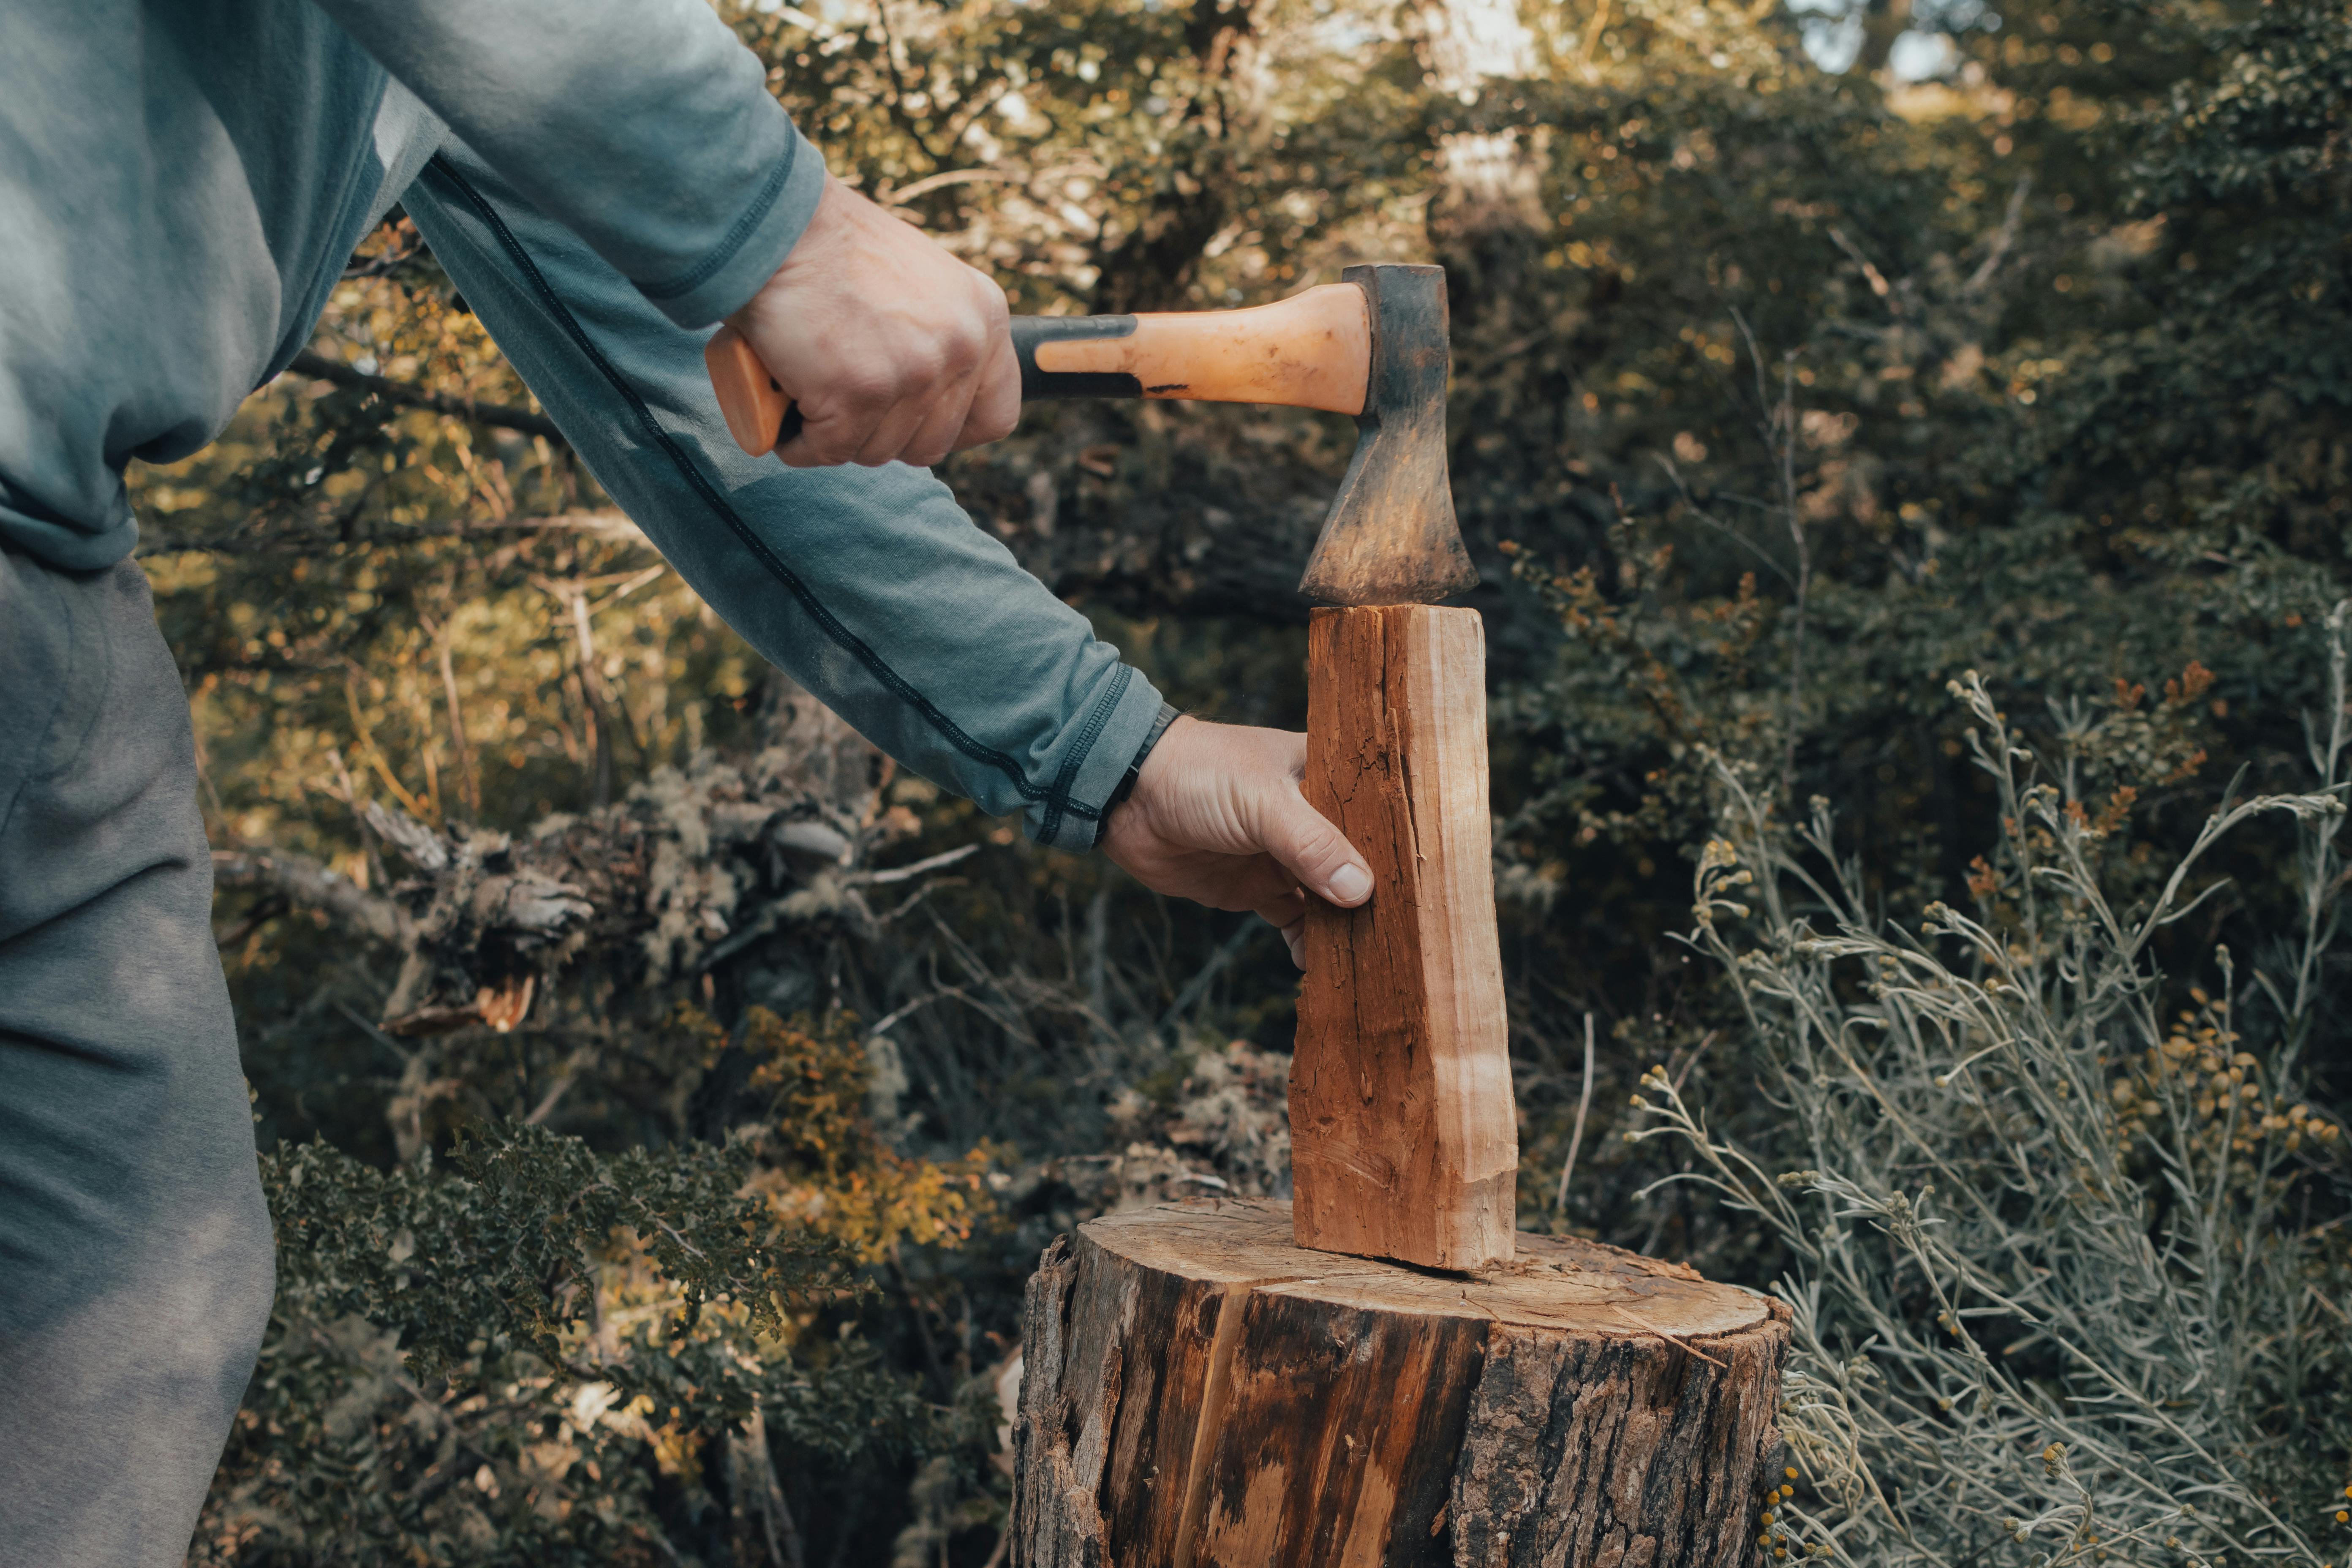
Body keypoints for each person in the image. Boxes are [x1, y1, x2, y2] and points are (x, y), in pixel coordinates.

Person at [0, 1, 1375, 1562]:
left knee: (123, 1302)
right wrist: (776, 220)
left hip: (53, 597)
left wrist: (1121, 752)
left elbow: (697, 386)